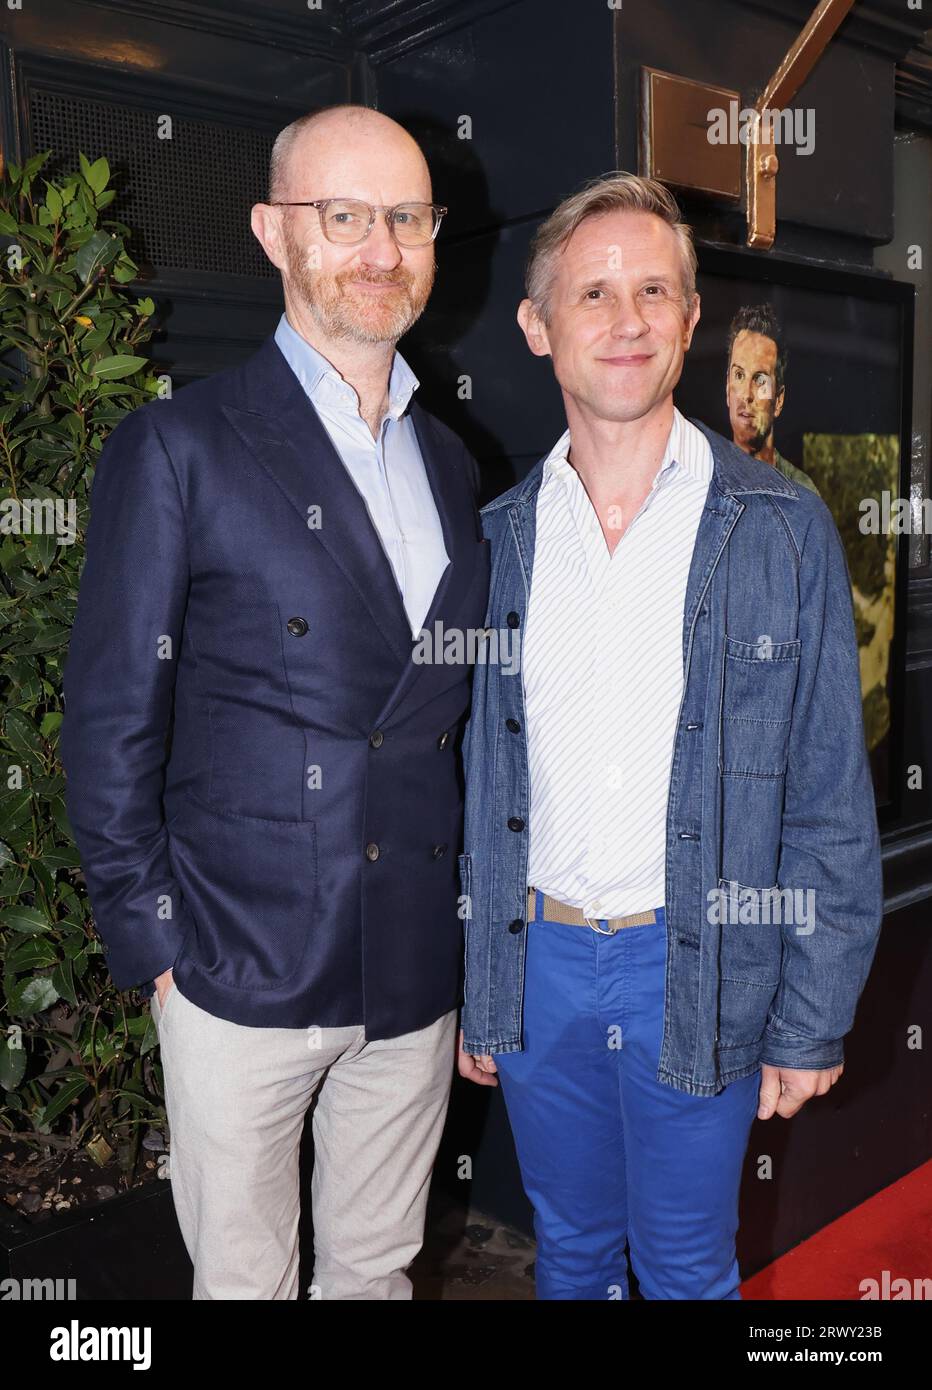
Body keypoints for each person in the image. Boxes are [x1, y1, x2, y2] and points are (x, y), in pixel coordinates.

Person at [60, 104, 489, 1300]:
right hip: (234, 966)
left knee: (376, 1273)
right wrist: (154, 949)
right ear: (269, 231)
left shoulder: (452, 464)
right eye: (341, 215)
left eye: (407, 217)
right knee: (243, 1284)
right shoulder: (177, 447)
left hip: (407, 969)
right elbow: (107, 724)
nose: (380, 248)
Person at [457, 172, 882, 1300]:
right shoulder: (495, 538)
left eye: (654, 289)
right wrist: (488, 982)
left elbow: (828, 795)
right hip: (542, 960)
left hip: (695, 962)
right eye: (592, 293)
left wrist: (810, 1018)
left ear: (691, 319)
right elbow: (469, 774)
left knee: (690, 1267)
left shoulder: (781, 529)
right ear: (538, 327)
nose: (627, 319)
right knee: (574, 1255)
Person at [726, 302, 821, 495]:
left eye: (760, 380)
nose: (746, 394)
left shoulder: (803, 493)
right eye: (739, 375)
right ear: (727, 389)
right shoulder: (703, 478)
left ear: (778, 400)